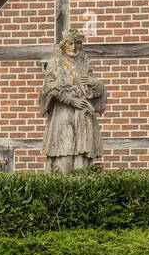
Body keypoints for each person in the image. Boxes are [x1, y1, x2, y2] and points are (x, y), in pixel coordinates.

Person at [39, 28, 107, 172]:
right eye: (70, 43)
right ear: (64, 44)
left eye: (77, 43)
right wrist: (70, 100)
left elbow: (91, 91)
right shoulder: (55, 62)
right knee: (64, 150)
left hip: (83, 115)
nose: (74, 47)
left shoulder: (85, 61)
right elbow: (49, 88)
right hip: (63, 115)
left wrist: (97, 85)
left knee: (82, 156)